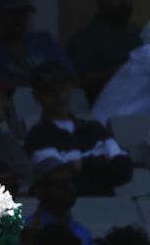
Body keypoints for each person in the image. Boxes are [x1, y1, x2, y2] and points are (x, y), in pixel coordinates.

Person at [24, 61, 131, 196]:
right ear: (37, 96)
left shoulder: (95, 129)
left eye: (63, 88)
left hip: (106, 207)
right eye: (50, 91)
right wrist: (102, 163)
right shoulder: (37, 136)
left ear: (70, 89)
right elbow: (58, 179)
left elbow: (124, 170)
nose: (59, 96)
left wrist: (81, 166)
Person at [68, 0, 141, 101]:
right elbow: (79, 82)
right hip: (102, 113)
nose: (124, 1)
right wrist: (122, 71)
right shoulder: (85, 38)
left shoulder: (136, 36)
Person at [23, 160, 96, 245]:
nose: (68, 189)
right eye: (60, 184)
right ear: (39, 192)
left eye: (70, 182)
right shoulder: (26, 232)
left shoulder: (83, 233)